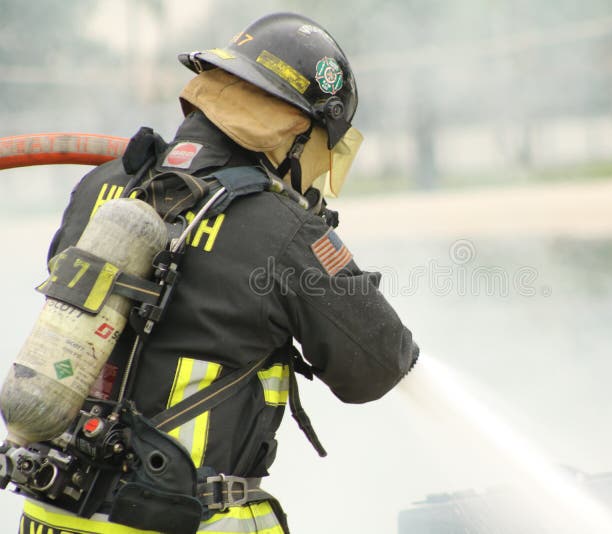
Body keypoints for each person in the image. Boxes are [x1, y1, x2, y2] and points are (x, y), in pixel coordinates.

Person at [18, 12, 418, 534]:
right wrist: (318, 252)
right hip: (179, 520)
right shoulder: (282, 230)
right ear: (295, 132)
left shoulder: (102, 185)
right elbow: (379, 365)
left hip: (51, 512)